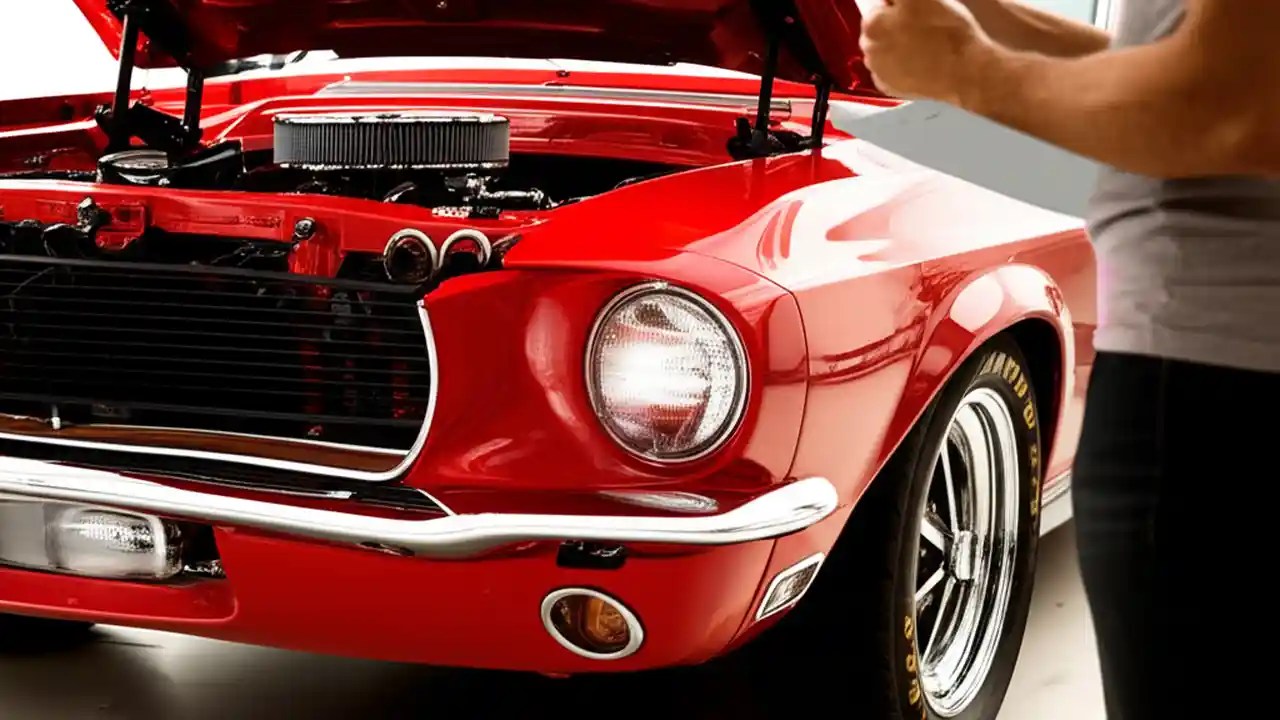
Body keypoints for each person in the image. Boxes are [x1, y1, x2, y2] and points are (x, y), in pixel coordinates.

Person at [859, 1, 1280, 718]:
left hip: (1210, 389)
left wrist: (966, 68)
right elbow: (1191, 63)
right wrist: (991, 20)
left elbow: (1224, 105)